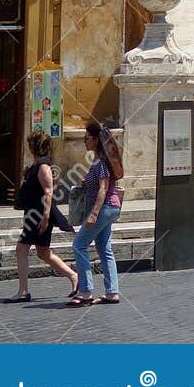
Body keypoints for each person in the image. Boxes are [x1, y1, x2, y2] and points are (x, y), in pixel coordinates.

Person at [3, 130, 76, 304]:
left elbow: (49, 192)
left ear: (33, 146)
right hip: (33, 214)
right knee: (43, 253)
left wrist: (45, 217)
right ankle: (74, 276)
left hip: (38, 216)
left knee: (21, 249)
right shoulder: (37, 165)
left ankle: (23, 291)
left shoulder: (43, 166)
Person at [68, 122, 125, 305]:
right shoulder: (99, 161)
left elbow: (103, 189)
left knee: (79, 245)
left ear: (95, 140)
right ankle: (112, 292)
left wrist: (93, 214)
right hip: (110, 208)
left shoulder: (100, 161)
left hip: (104, 208)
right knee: (104, 248)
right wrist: (87, 183)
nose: (84, 141)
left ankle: (85, 291)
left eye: (86, 138)